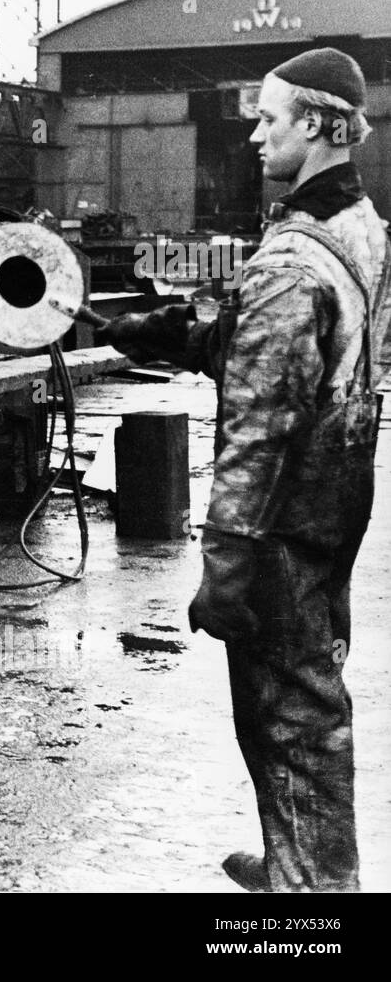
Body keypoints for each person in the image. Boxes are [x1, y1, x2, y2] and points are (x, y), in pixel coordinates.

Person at [104, 47, 391, 892]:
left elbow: (257, 429)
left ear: (314, 124)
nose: (255, 136)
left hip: (276, 523)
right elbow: (276, 350)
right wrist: (151, 332)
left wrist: (224, 563)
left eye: (268, 119)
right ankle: (302, 855)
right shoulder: (361, 229)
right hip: (337, 503)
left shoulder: (289, 262)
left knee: (287, 716)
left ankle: (313, 894)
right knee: (306, 698)